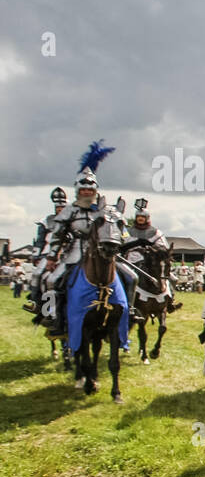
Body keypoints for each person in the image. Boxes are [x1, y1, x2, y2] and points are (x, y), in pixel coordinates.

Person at [39, 144, 135, 338]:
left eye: (89, 189)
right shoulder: (69, 210)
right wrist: (51, 257)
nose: (86, 192)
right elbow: (57, 235)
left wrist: (120, 246)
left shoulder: (105, 210)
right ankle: (52, 316)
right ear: (77, 190)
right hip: (75, 252)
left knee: (132, 277)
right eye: (83, 189)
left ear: (95, 190)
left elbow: (118, 231)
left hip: (104, 253)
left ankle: (129, 312)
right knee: (51, 280)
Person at [122, 198, 180, 317]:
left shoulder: (156, 232)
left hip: (151, 261)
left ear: (147, 218)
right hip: (132, 261)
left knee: (173, 278)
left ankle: (170, 302)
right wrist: (135, 246)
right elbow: (122, 244)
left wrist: (151, 249)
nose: (140, 219)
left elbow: (163, 247)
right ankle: (128, 304)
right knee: (126, 279)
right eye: (138, 217)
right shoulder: (127, 231)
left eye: (143, 218)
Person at [24, 187, 66, 320]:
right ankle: (36, 303)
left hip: (67, 254)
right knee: (37, 275)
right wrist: (36, 256)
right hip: (48, 254)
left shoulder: (71, 221)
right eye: (58, 207)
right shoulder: (46, 221)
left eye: (62, 206)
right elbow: (40, 241)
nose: (60, 209)